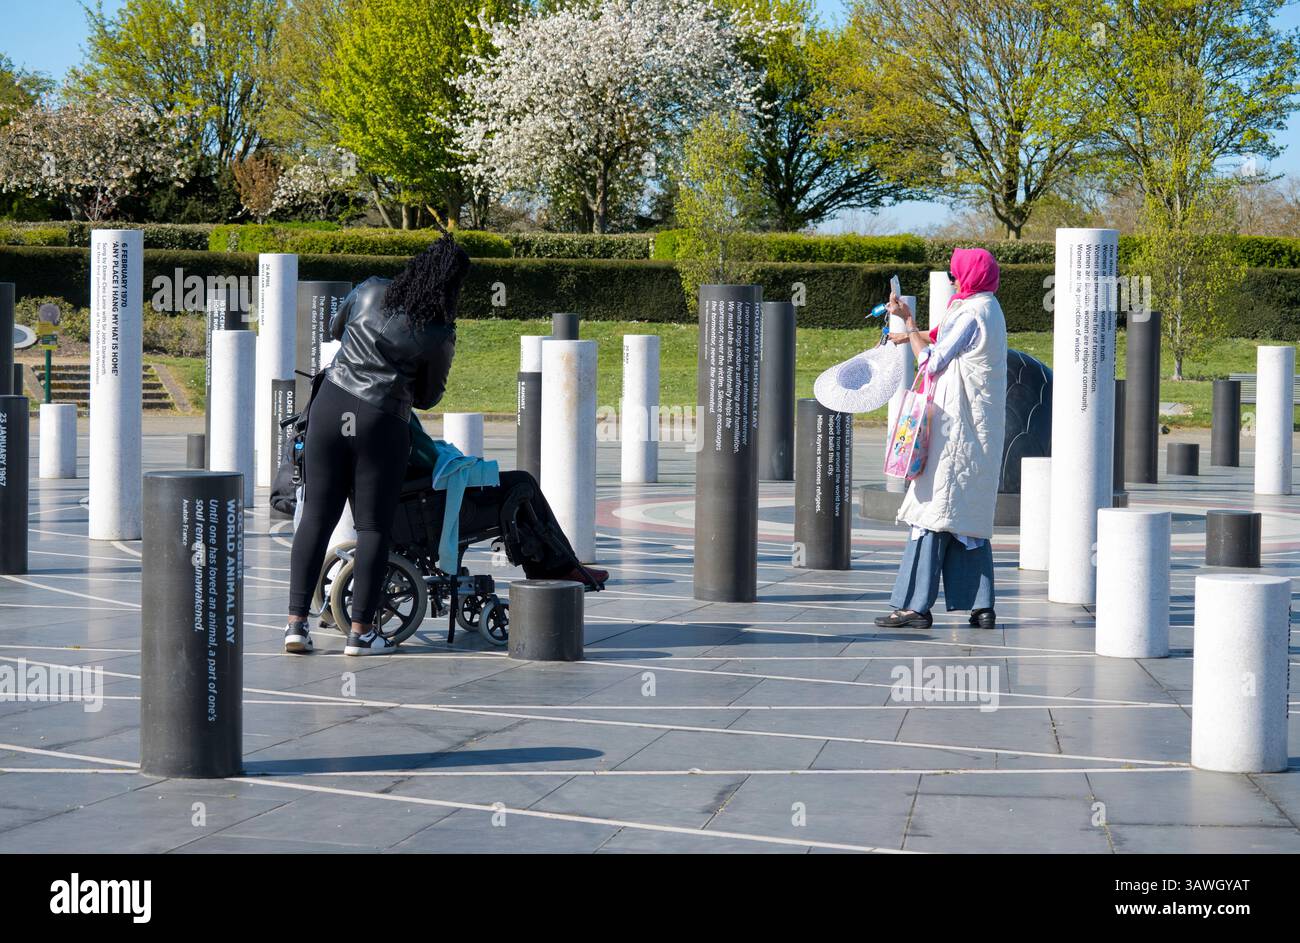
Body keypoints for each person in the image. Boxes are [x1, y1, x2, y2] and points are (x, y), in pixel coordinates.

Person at [873, 248, 1007, 631]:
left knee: (931, 510)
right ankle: (981, 605)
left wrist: (909, 322)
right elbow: (947, 340)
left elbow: (932, 361)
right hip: (979, 432)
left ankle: (915, 606)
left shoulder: (971, 311)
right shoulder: (989, 308)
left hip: (954, 430)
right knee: (969, 518)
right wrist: (909, 334)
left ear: (969, 275)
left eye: (955, 273)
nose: (952, 279)